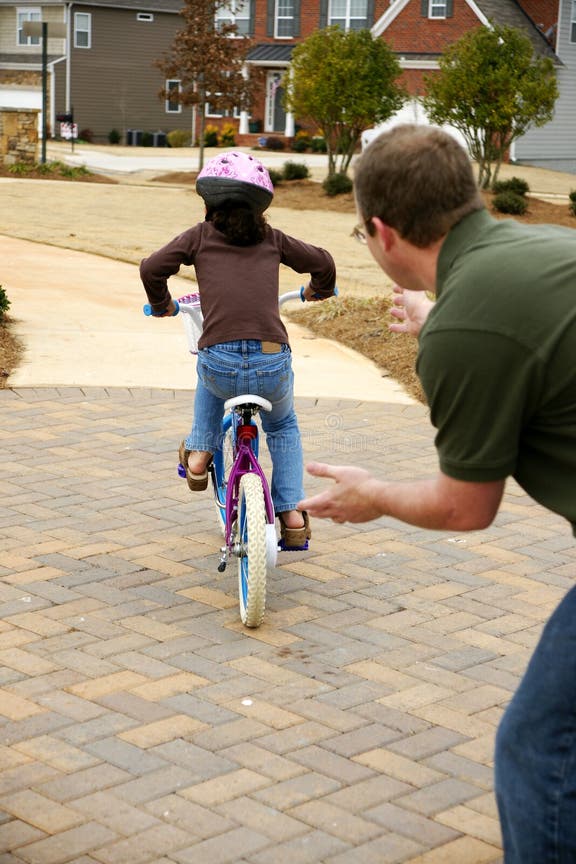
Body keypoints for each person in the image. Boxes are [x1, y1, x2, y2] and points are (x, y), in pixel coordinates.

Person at [297, 124, 576, 862]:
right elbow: (514, 327)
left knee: (542, 748)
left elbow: (465, 507)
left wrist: (376, 494)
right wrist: (438, 319)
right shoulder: (540, 251)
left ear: (382, 232)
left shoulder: (469, 324)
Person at [140, 150, 336, 549]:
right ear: (259, 206)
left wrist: (162, 305)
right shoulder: (273, 239)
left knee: (209, 373)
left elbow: (151, 268)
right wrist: (320, 289)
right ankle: (291, 514)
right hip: (270, 360)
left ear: (209, 203)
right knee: (282, 426)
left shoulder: (198, 236)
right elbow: (323, 261)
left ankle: (198, 454)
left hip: (221, 360)